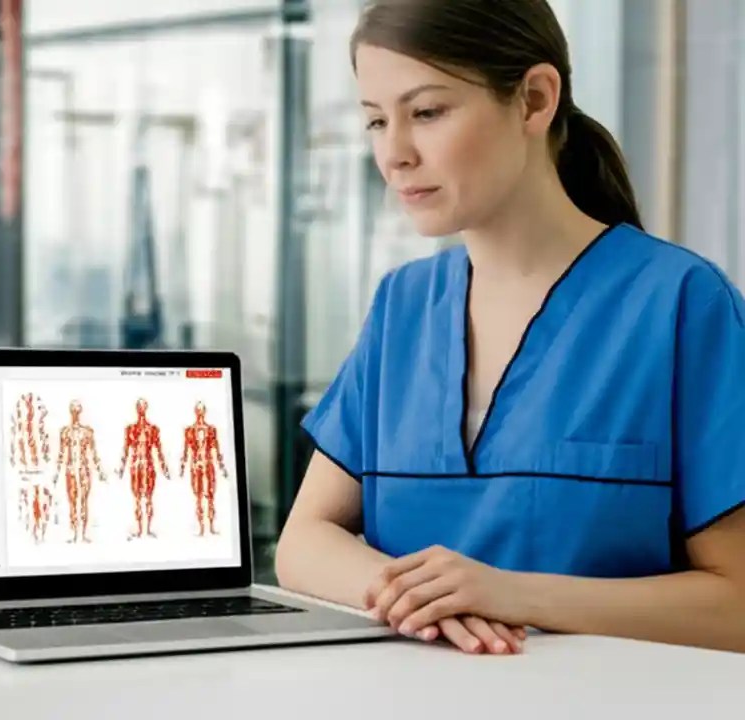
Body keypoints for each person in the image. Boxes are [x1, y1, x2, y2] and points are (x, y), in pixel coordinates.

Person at [275, 0, 745, 655]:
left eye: (427, 112)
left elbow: (737, 604)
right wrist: (419, 596)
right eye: (377, 121)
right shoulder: (403, 306)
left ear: (533, 99)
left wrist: (510, 592)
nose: (395, 154)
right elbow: (303, 541)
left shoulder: (682, 304)